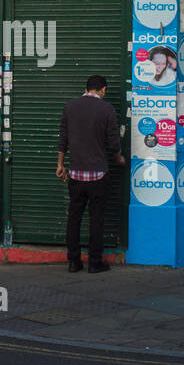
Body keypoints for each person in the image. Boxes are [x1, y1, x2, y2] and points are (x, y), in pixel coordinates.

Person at [56, 74, 125, 273]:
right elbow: (113, 142)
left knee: (74, 218)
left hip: (75, 175)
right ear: (103, 89)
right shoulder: (107, 109)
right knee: (97, 219)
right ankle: (95, 263)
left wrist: (60, 165)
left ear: (86, 88)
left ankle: (73, 262)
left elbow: (63, 138)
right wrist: (118, 157)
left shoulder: (70, 107)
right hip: (98, 176)